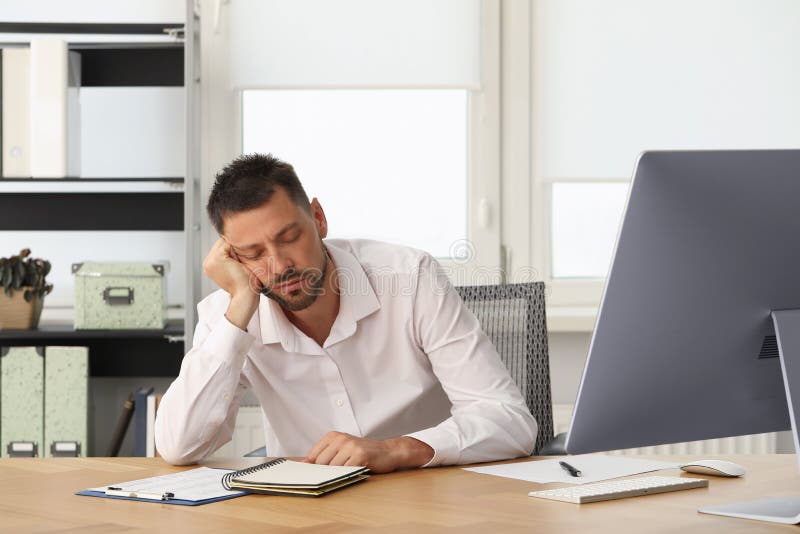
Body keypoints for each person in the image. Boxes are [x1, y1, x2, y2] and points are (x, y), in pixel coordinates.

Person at [155, 153, 537, 472]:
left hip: (426, 496)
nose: (279, 265)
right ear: (233, 257)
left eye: (290, 238)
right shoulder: (227, 316)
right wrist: (240, 306)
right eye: (254, 254)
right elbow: (178, 446)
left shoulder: (410, 277)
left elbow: (509, 421)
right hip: (309, 516)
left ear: (318, 218)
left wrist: (393, 450)